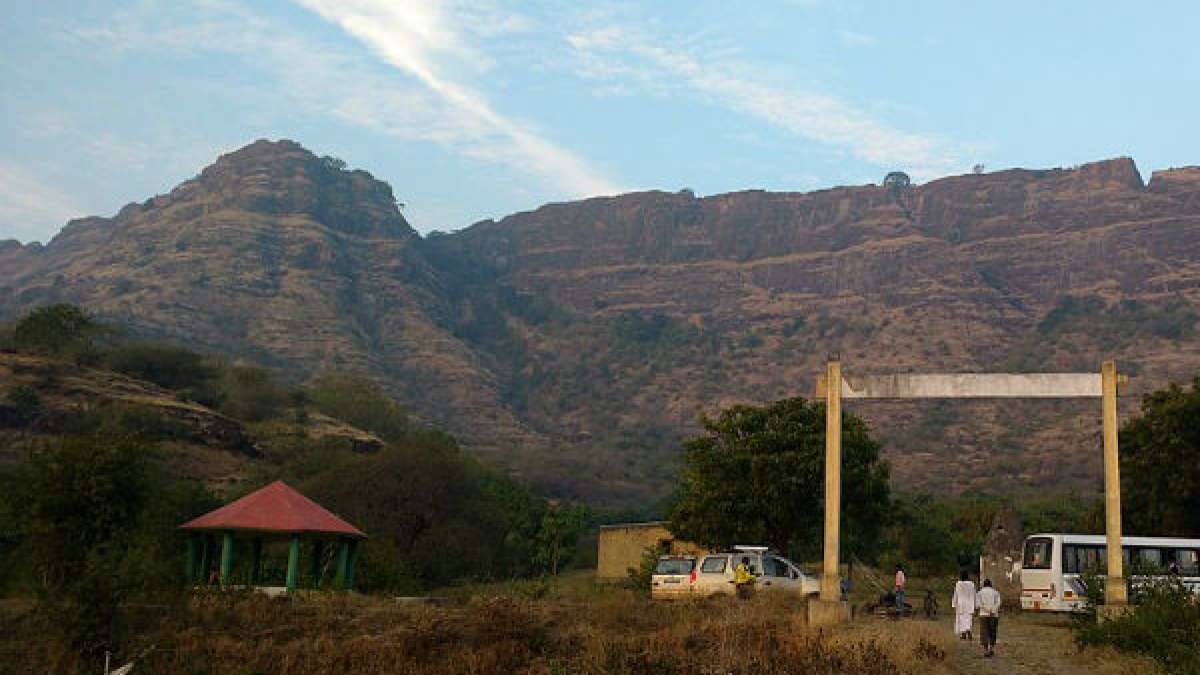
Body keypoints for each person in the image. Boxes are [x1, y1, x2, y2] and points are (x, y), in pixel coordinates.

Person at [977, 578, 1002, 657]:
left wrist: (986, 610)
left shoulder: (980, 593)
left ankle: (985, 649)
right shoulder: (995, 592)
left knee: (984, 632)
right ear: (991, 584)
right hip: (994, 615)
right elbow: (998, 603)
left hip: (983, 614)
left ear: (984, 584)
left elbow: (978, 604)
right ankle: (991, 648)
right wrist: (992, 610)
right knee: (992, 631)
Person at [951, 570, 976, 640]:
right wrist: (975, 604)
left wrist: (954, 604)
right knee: (968, 619)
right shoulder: (971, 584)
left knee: (961, 619)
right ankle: (968, 630)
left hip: (961, 604)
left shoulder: (958, 584)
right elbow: (974, 594)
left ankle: (963, 634)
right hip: (969, 603)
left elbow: (956, 594)